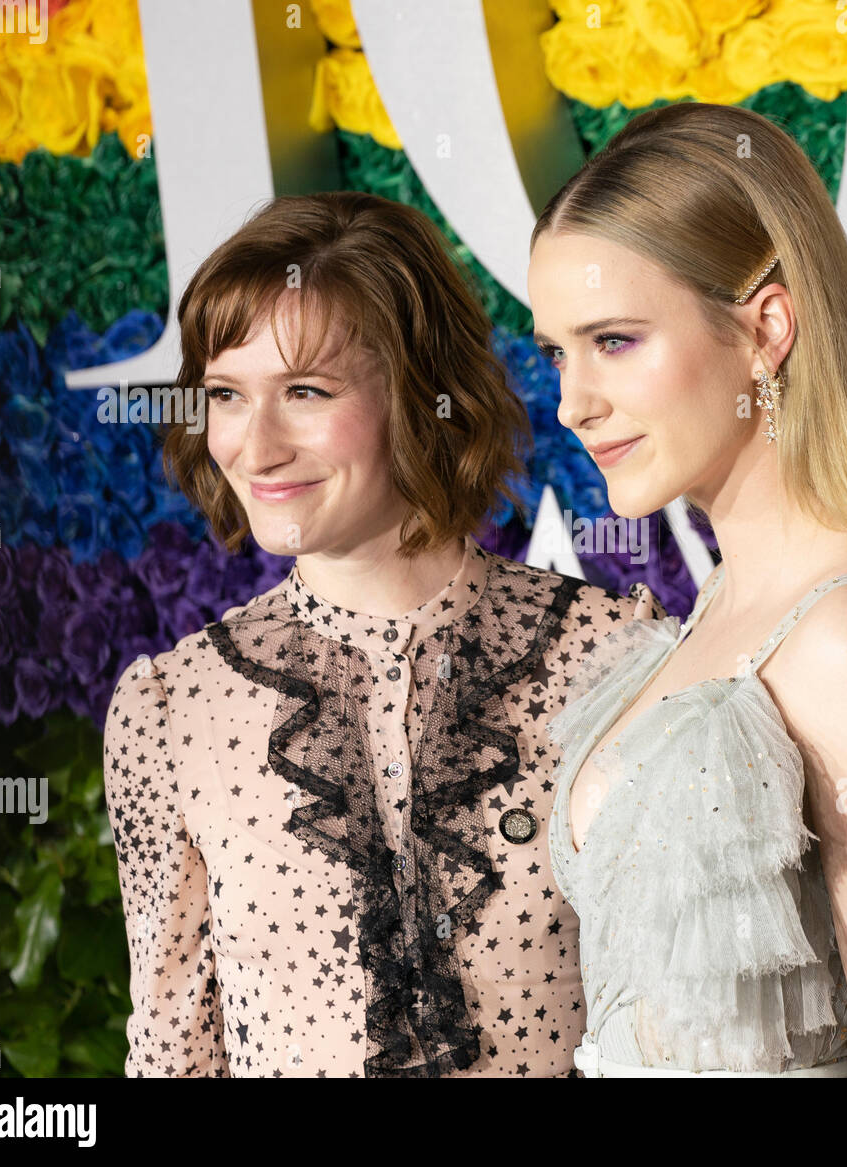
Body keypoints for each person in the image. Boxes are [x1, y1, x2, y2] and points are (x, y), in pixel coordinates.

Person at [527, 101, 847, 1078]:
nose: (572, 402)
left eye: (615, 341)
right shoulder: (719, 606)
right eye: (557, 350)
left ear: (765, 325)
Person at [101, 191, 663, 1078]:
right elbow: (173, 1050)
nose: (255, 447)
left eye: (305, 392)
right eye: (226, 396)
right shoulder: (172, 708)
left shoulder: (610, 656)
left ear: (421, 393)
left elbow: (676, 1027)